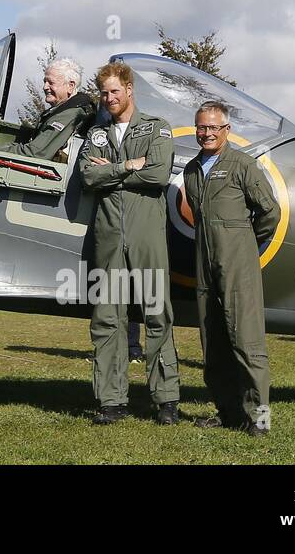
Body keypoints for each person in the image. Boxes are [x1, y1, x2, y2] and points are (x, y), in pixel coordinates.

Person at [78, 61, 179, 425]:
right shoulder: (96, 134)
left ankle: (166, 400)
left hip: (146, 237)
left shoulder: (157, 127)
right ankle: (111, 400)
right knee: (108, 317)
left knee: (156, 313)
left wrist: (117, 170)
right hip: (108, 238)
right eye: (104, 93)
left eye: (115, 91)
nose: (109, 98)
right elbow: (89, 176)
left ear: (129, 89)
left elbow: (158, 172)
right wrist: (127, 166)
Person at [183, 101, 280, 436]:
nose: (207, 133)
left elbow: (270, 212)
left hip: (238, 263)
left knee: (247, 343)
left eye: (213, 128)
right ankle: (228, 413)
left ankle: (260, 419)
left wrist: (246, 245)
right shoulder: (192, 169)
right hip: (205, 263)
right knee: (213, 343)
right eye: (201, 127)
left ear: (227, 130)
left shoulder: (242, 164)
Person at [2, 57, 96, 161]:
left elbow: (35, 152)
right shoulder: (58, 111)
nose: (45, 87)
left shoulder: (71, 114)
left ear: (70, 86)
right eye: (45, 81)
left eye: (51, 82)